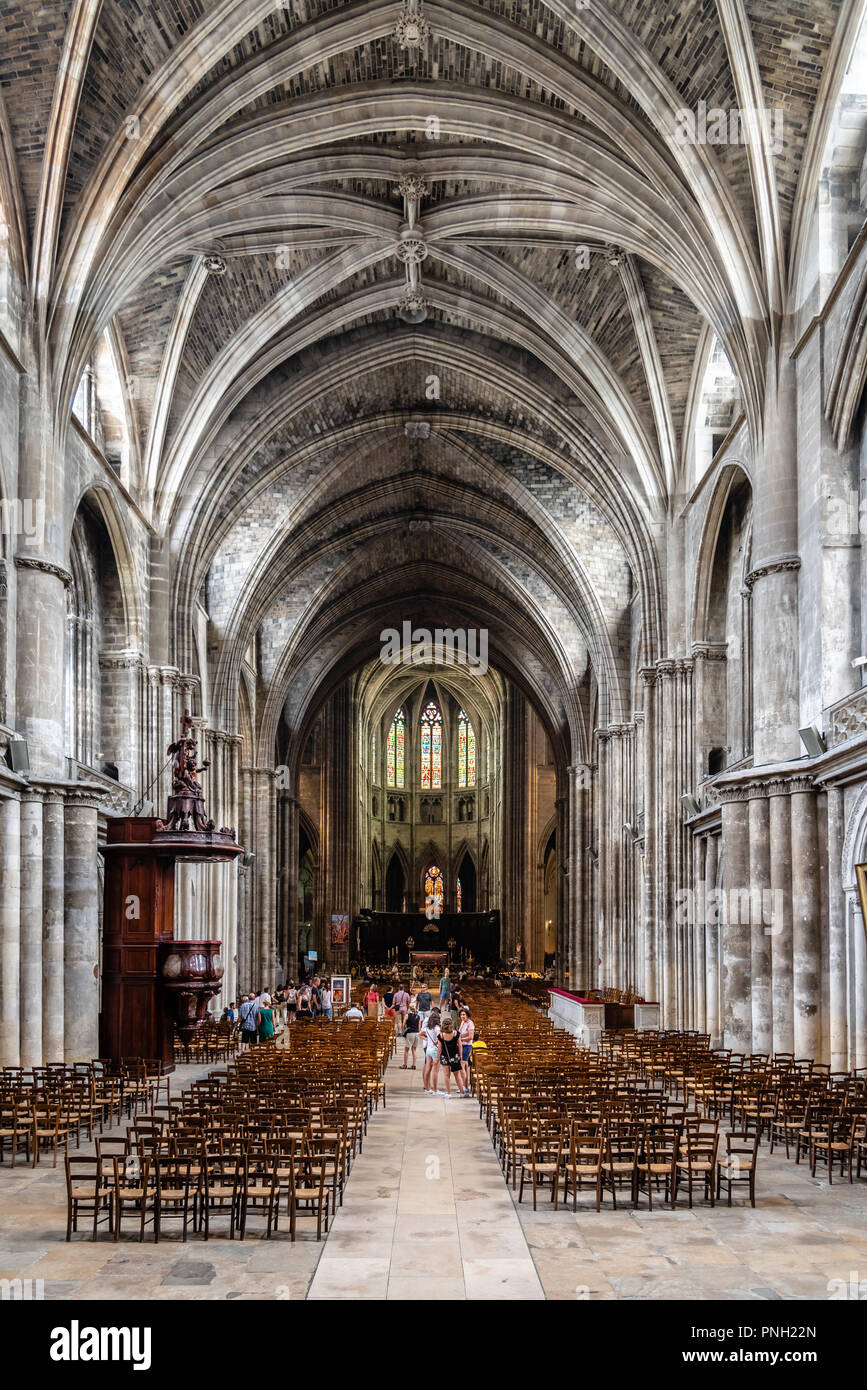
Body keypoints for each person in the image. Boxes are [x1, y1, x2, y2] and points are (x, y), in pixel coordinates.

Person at [437, 1016, 465, 1097]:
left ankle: (448, 1093)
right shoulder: (456, 1033)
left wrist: (437, 1058)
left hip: (445, 1057)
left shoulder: (441, 1036)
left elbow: (440, 1048)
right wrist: (461, 1055)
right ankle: (462, 1093)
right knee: (457, 1075)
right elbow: (460, 1046)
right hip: (455, 1056)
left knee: (446, 1075)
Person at [421, 1008, 441, 1094]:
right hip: (435, 1050)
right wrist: (438, 1041)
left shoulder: (428, 1028)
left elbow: (420, 1034)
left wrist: (428, 1040)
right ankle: (435, 1090)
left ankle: (427, 1088)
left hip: (428, 1049)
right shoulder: (436, 1027)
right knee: (435, 1071)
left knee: (428, 1069)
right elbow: (439, 1037)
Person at [458, 1007, 475, 1095]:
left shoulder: (470, 1023)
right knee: (465, 1066)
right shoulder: (463, 1022)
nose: (462, 1016)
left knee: (462, 1065)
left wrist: (461, 1039)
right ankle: (466, 1085)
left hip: (467, 1046)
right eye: (461, 1015)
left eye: (464, 1014)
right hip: (462, 1045)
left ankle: (464, 1087)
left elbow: (471, 1037)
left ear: (467, 1015)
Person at [401, 1005, 420, 1069]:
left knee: (406, 1049)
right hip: (417, 1033)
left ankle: (405, 1064)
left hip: (410, 1033)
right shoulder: (418, 1017)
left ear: (409, 1008)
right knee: (414, 1050)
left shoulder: (407, 1015)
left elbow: (403, 1025)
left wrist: (403, 1031)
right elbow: (419, 1027)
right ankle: (414, 1065)